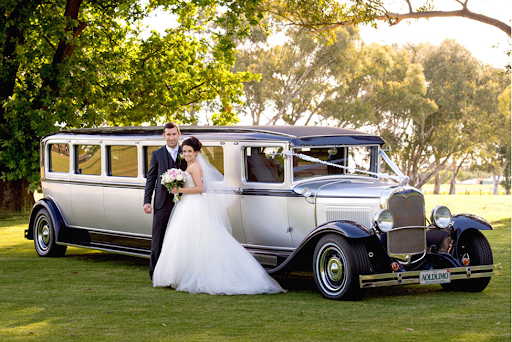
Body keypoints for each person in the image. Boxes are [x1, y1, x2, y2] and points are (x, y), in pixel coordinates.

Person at [152, 136, 285, 295]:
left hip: (193, 204)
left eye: (189, 151)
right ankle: (180, 274)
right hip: (187, 205)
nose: (186, 154)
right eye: (184, 151)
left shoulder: (194, 167)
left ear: (196, 152)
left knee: (195, 239)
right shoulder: (189, 166)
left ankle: (190, 274)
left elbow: (200, 189)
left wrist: (179, 190)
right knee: (186, 239)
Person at [144, 122, 187, 281]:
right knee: (158, 239)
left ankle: (177, 274)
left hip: (183, 203)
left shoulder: (186, 152)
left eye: (174, 134)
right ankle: (155, 274)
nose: (171, 137)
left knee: (179, 239)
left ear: (178, 134)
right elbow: (151, 179)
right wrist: (147, 201)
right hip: (162, 204)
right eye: (168, 134)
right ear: (164, 136)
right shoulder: (157, 154)